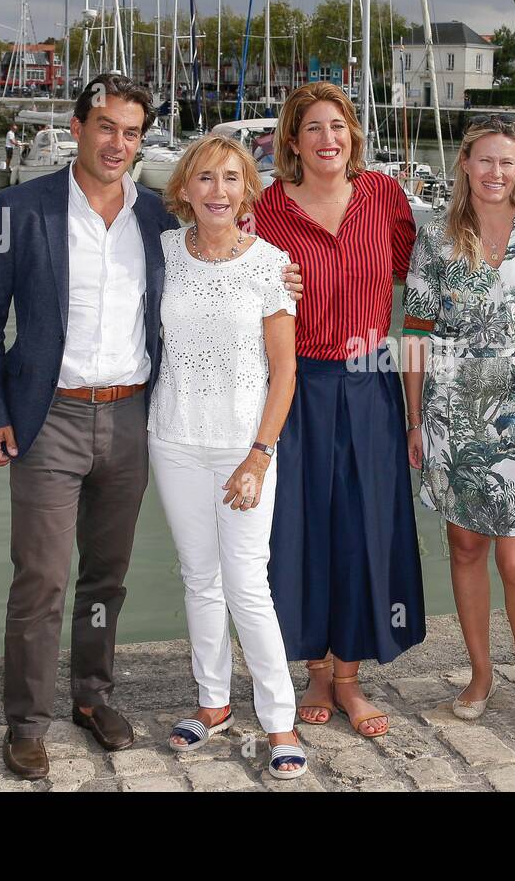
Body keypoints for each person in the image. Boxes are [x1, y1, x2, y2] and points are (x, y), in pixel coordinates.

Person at [0, 73, 304, 780]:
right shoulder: (18, 208)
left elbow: (230, 262)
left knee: (106, 576)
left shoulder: (157, 222)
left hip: (133, 416)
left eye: (131, 132)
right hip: (47, 417)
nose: (119, 143)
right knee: (41, 577)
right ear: (78, 126)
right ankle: (27, 723)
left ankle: (92, 698)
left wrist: (281, 279)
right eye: (106, 127)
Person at [253, 81, 424, 738]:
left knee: (363, 529)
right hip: (294, 387)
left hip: (369, 384)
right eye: (313, 128)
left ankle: (349, 676)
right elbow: (218, 273)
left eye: (338, 126)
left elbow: (426, 276)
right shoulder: (265, 210)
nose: (329, 139)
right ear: (292, 143)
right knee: (300, 530)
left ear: (353, 135)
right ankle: (314, 672)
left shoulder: (382, 196)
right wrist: (263, 280)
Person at [401, 116, 515, 739]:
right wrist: (415, 417)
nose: (495, 173)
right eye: (484, 161)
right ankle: (480, 675)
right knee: (466, 547)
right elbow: (416, 332)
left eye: (507, 162)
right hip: (452, 413)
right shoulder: (436, 237)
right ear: (464, 165)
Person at [150, 135, 307, 780]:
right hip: (174, 440)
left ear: (249, 191)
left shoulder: (272, 265)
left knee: (246, 582)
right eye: (205, 177)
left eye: (231, 178)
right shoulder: (162, 254)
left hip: (245, 447)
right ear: (184, 189)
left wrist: (259, 455)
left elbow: (285, 371)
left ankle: (280, 720)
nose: (217, 190)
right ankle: (212, 703)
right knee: (198, 576)